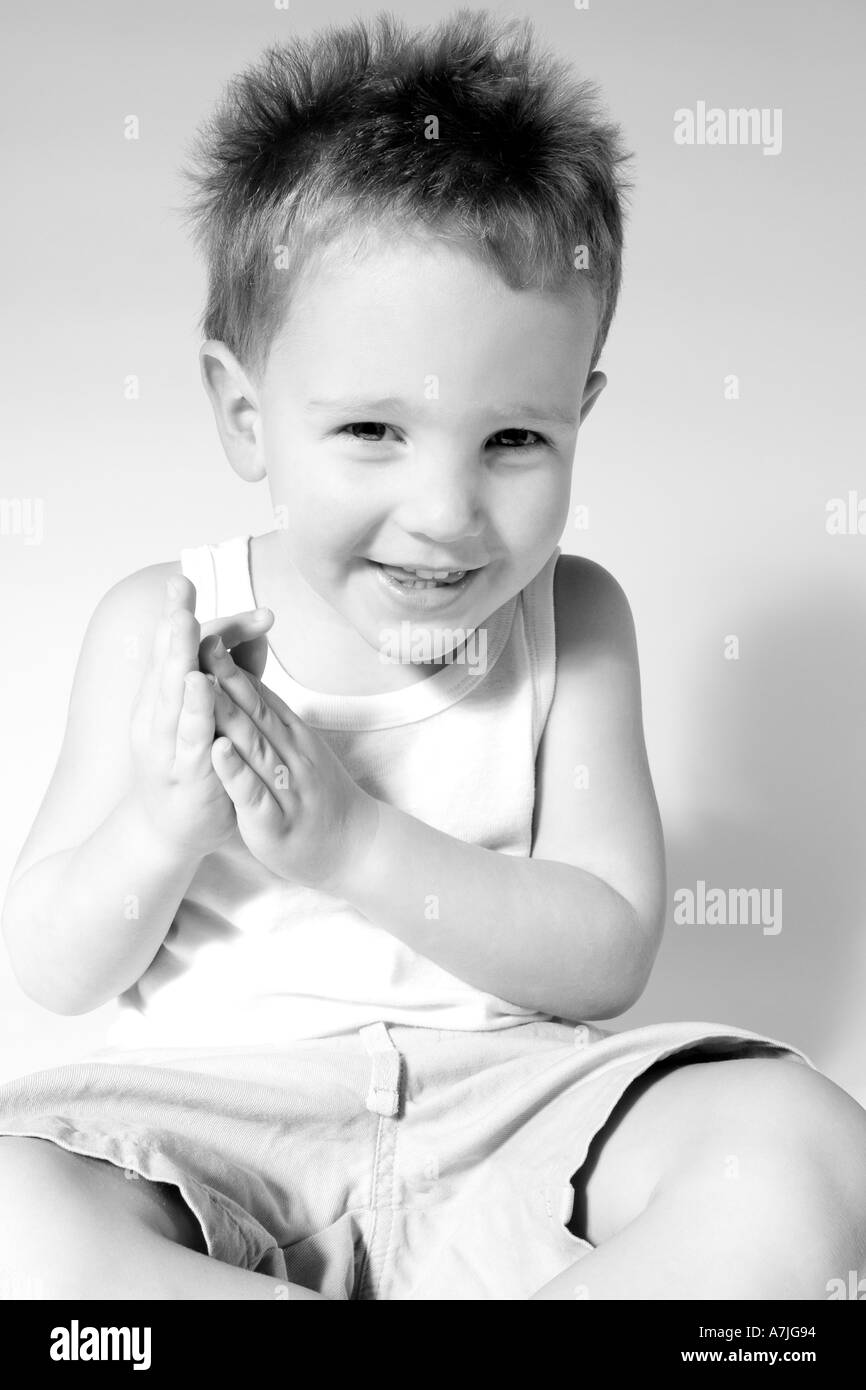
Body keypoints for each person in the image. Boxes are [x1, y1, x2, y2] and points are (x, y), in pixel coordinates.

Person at [1, 9, 864, 1302]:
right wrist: (161, 825)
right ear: (247, 415)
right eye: (369, 428)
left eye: (513, 439)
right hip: (207, 1126)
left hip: (514, 1117)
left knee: (808, 1152)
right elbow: (53, 965)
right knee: (17, 1223)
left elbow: (605, 950)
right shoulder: (161, 620)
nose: (449, 511)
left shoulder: (576, 621)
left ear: (580, 410)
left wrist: (350, 843)